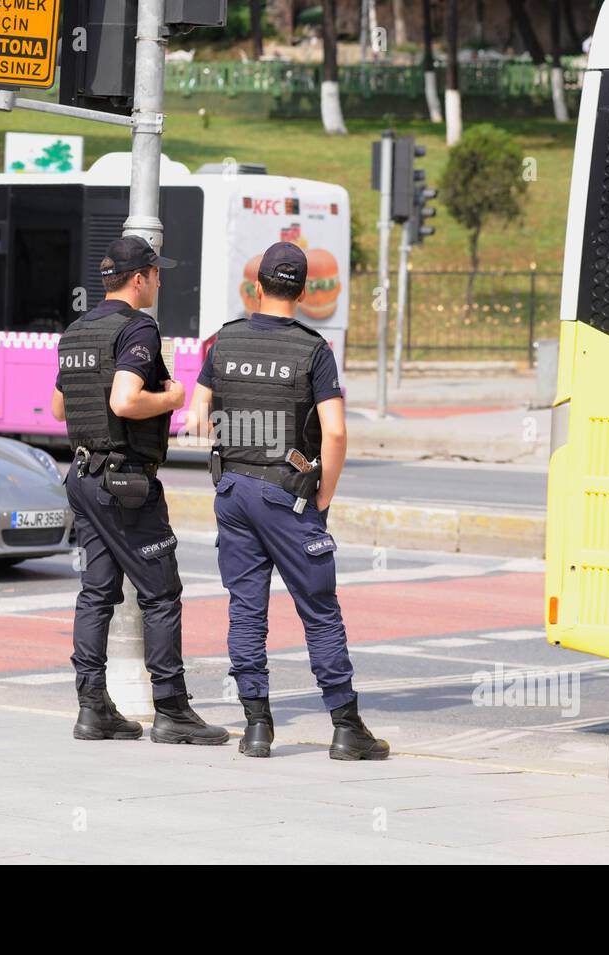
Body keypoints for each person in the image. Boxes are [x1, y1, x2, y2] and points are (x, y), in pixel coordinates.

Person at [189, 241, 389, 761]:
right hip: (289, 494)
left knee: (246, 609)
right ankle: (347, 729)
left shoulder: (226, 341)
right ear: (302, 291)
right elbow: (337, 433)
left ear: (258, 287)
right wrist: (324, 491)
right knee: (320, 612)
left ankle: (257, 727)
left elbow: (197, 411)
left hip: (232, 489)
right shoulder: (314, 349)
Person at [52, 235, 228, 746]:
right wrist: (172, 395)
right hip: (125, 481)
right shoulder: (139, 329)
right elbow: (126, 401)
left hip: (83, 477)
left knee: (97, 593)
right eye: (156, 273)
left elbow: (61, 409)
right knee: (161, 593)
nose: (160, 280)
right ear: (139, 278)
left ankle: (92, 707)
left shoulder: (77, 330)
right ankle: (172, 711)